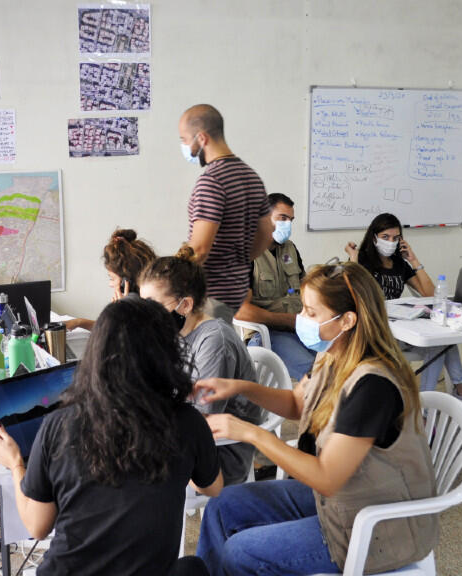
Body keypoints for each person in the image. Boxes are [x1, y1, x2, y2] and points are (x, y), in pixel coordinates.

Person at [194, 261, 439, 575]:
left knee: (240, 552)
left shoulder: (372, 386)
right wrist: (239, 387)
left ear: (347, 320)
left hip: (375, 527)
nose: (300, 319)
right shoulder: (332, 354)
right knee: (222, 506)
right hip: (342, 501)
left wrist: (252, 433)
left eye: (311, 312)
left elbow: (326, 477)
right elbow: (298, 404)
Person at [0, 297, 221, 576]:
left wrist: (16, 463)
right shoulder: (189, 422)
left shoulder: (58, 425)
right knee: (194, 568)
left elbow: (37, 526)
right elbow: (213, 488)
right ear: (167, 355)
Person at [345, 213, 462, 424]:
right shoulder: (363, 261)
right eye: (385, 237)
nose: (391, 242)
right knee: (442, 344)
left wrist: (414, 260)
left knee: (442, 342)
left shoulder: (399, 264)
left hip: (400, 328)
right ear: (374, 237)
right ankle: (460, 393)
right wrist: (353, 259)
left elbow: (430, 294)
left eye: (396, 238)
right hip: (375, 333)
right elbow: (351, 296)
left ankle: (424, 409)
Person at [139, 246, 263, 485]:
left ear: (185, 305)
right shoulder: (174, 332)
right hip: (187, 435)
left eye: (153, 306)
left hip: (220, 452)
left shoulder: (215, 341)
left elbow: (201, 418)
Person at [179, 104, 273, 323]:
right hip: (236, 289)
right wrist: (237, 263)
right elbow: (267, 235)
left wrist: (169, 282)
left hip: (210, 294)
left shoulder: (212, 181)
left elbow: (199, 249)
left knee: (207, 344)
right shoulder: (251, 177)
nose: (184, 146)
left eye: (184, 139)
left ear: (201, 138)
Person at [235, 193, 317, 380]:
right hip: (266, 333)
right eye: (282, 218)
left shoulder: (290, 248)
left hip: (297, 327)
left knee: (334, 360)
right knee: (313, 371)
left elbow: (305, 290)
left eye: (291, 220)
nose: (288, 225)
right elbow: (241, 311)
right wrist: (286, 321)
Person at [64, 228, 156, 331]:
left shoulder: (150, 312)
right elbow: (109, 328)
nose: (110, 284)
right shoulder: (143, 303)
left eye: (112, 278)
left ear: (127, 283)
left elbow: (119, 335)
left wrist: (122, 313)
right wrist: (79, 322)